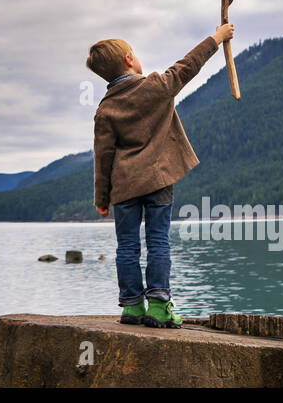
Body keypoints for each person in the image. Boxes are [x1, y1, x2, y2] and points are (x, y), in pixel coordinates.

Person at [86, 23, 234, 327]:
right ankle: (158, 307)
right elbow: (187, 66)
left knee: (126, 246)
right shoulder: (155, 86)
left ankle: (131, 307)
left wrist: (101, 199)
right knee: (158, 241)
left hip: (124, 188)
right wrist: (217, 38)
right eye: (135, 54)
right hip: (158, 181)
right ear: (129, 59)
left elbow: (102, 159)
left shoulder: (105, 110)